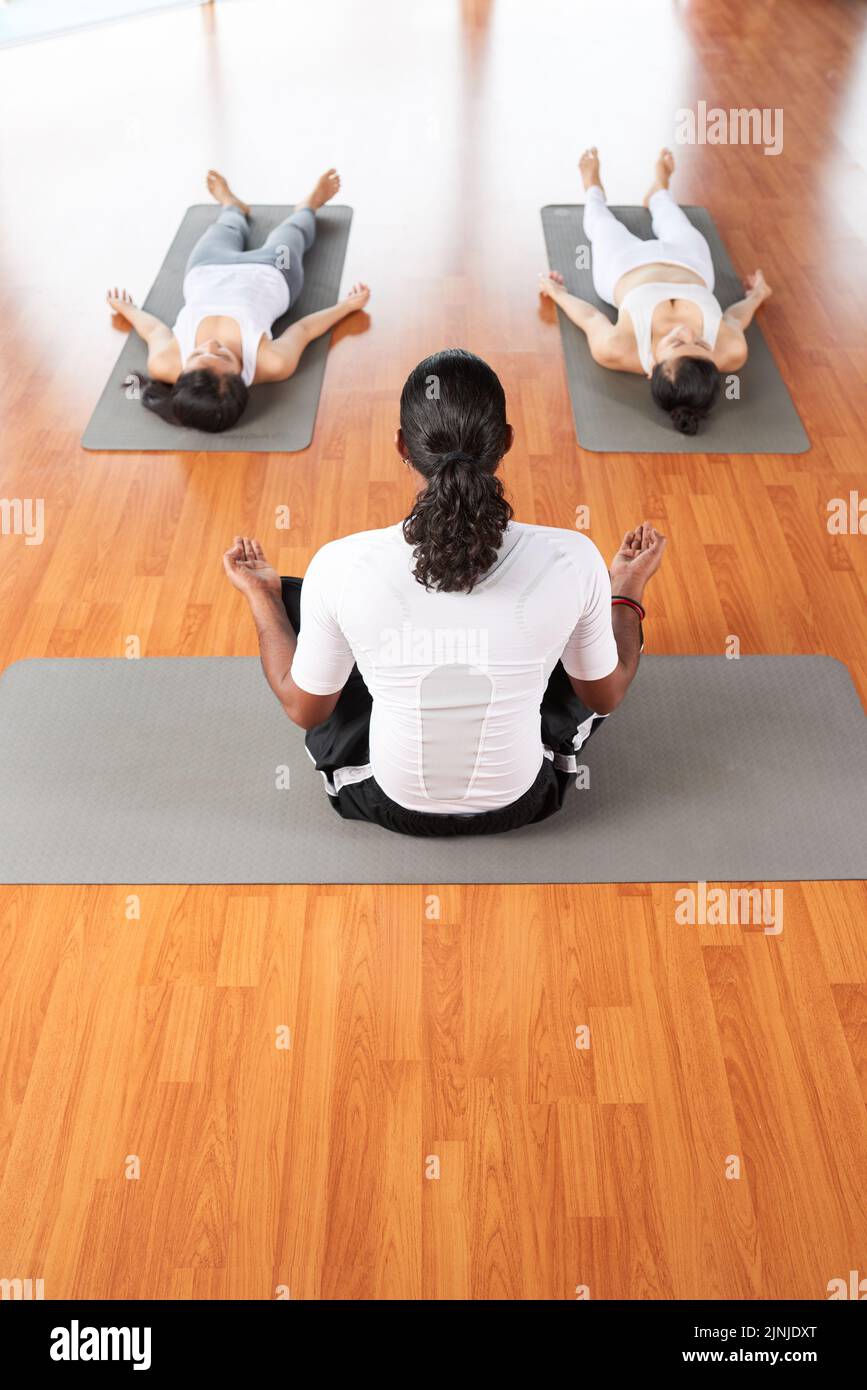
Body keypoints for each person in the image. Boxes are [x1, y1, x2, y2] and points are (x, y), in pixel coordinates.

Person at [223, 348, 666, 837]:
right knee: (587, 617)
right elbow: (606, 695)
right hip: (527, 800)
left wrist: (262, 595)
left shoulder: (342, 563)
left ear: (401, 447)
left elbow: (304, 710)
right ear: (508, 442)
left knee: (305, 603)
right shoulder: (573, 558)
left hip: (385, 803)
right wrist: (625, 592)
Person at [106, 168, 369, 431]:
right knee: (291, 233)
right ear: (239, 380)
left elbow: (154, 330)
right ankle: (309, 205)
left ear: (183, 375)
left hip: (207, 267)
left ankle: (232, 205)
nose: (210, 345)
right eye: (223, 354)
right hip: (272, 270)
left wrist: (127, 309)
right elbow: (303, 329)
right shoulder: (272, 363)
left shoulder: (165, 363)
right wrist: (347, 306)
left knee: (226, 225)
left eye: (197, 353)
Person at [539, 147, 772, 435]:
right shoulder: (731, 351)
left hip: (624, 266)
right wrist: (757, 295)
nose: (687, 333)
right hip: (691, 264)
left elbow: (591, 319)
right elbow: (735, 319)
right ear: (713, 361)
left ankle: (592, 185)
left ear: (651, 371)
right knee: (674, 219)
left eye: (675, 343)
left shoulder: (616, 349)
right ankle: (659, 189)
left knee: (600, 226)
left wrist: (557, 292)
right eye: (701, 343)